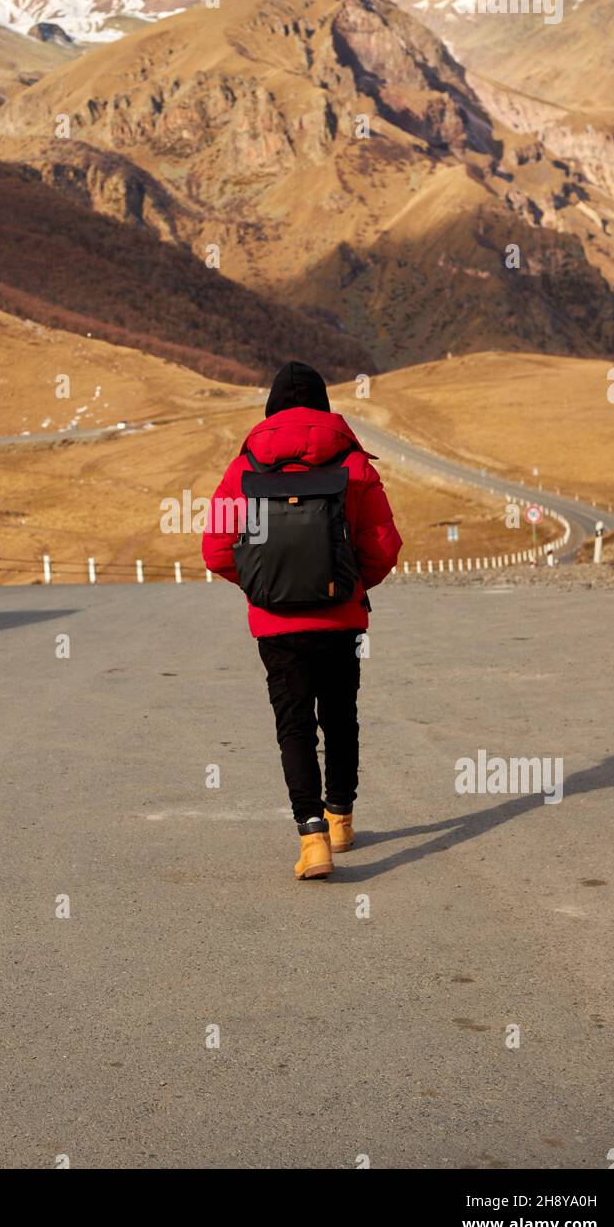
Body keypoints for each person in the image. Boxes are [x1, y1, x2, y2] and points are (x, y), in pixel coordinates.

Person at [202, 361, 402, 880]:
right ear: (324, 408)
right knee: (340, 716)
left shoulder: (241, 467)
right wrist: (351, 587)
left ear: (270, 410)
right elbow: (383, 547)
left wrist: (262, 588)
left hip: (276, 623)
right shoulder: (355, 464)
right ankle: (342, 819)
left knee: (293, 723)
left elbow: (216, 549)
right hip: (341, 620)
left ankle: (312, 838)